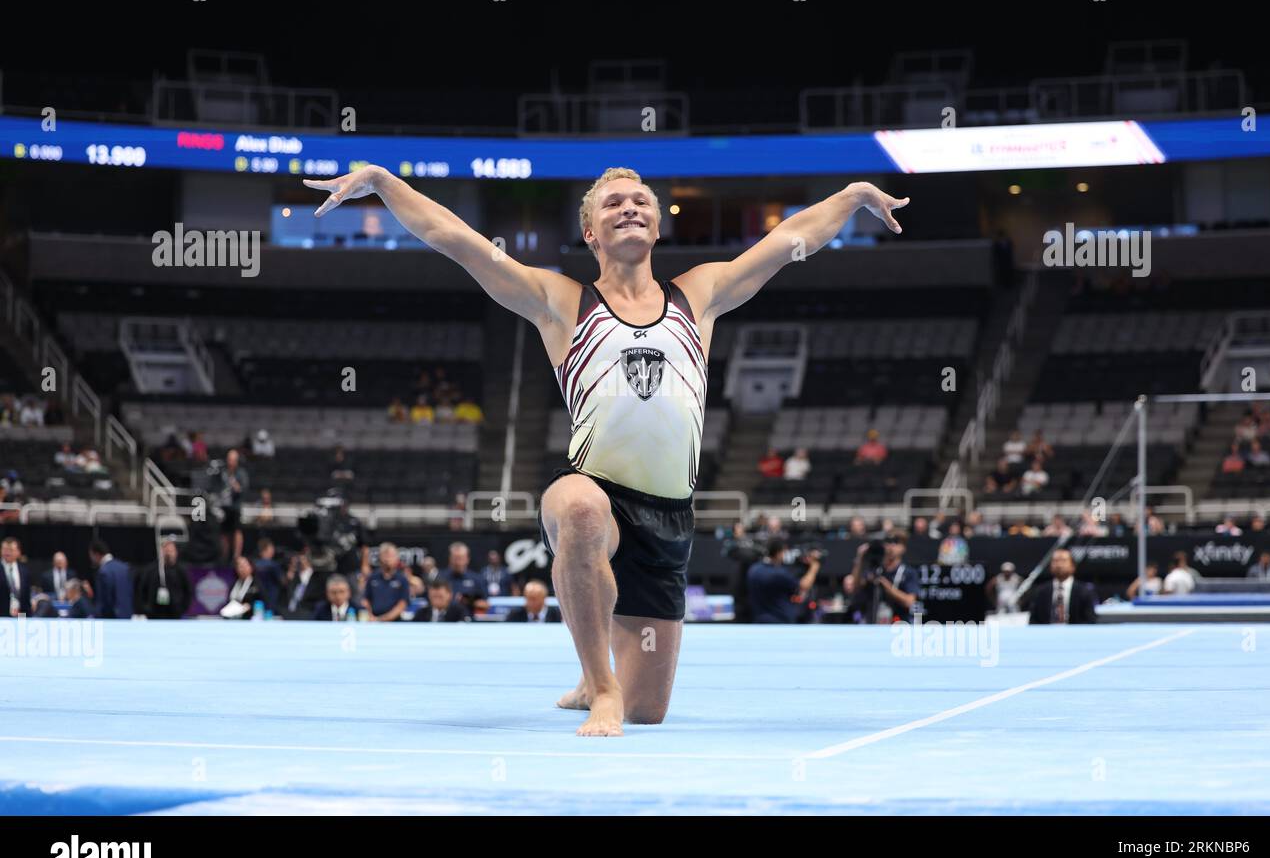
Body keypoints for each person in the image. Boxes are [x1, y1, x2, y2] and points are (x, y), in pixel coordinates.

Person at [308, 162, 908, 736]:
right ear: (590, 231)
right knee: (582, 513)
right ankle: (601, 685)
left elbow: (788, 240)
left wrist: (853, 196)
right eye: (614, 202)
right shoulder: (560, 301)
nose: (630, 207)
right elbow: (459, 241)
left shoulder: (699, 295)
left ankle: (606, 674)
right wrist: (384, 184)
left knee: (650, 712)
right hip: (594, 492)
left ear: (656, 223)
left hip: (668, 518)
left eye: (641, 200)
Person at [746, 541, 820, 624]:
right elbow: (804, 586)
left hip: (759, 621)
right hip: (781, 622)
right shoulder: (779, 574)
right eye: (784, 552)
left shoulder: (753, 570)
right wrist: (814, 567)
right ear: (778, 553)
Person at [1029, 549, 1098, 624]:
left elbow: (1090, 620)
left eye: (1063, 561)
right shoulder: (1041, 592)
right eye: (1055, 561)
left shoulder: (1084, 592)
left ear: (1073, 566)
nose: (1059, 565)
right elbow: (1033, 621)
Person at [137, 539, 192, 619]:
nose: (168, 553)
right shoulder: (151, 570)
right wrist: (146, 608)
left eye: (171, 551)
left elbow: (188, 591)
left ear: (176, 553)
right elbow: (142, 590)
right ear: (161, 552)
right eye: (166, 551)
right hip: (155, 613)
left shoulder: (181, 571)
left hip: (175, 613)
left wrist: (183, 608)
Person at [363, 542, 410, 622]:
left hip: (395, 622)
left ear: (397, 558)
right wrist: (371, 616)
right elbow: (366, 600)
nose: (387, 559)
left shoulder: (402, 579)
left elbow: (402, 604)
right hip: (373, 621)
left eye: (391, 556)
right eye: (385, 555)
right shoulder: (372, 577)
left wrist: (381, 619)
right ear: (380, 557)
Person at [217, 448, 249, 562]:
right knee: (224, 533)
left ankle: (236, 556)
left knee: (237, 531)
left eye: (232, 460)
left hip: (235, 507)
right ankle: (224, 555)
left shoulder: (241, 473)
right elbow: (217, 486)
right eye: (228, 459)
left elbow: (243, 489)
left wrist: (234, 483)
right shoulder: (223, 472)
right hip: (223, 507)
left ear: (236, 461)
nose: (230, 462)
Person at [89, 539, 133, 619]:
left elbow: (104, 602)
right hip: (127, 616)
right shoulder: (125, 568)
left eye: (91, 556)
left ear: (96, 554)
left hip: (111, 620)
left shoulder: (103, 572)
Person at [2, 537, 33, 617]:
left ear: (18, 552)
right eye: (5, 549)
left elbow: (26, 599)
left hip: (21, 615)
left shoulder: (25, 572)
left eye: (11, 550)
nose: (7, 553)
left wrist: (27, 617)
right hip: (2, 617)